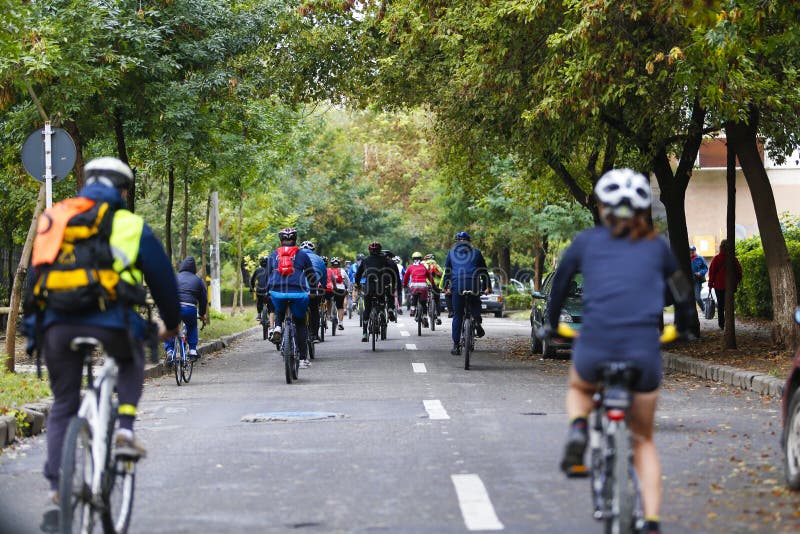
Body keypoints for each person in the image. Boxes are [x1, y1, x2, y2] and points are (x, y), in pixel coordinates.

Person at [24, 157, 180, 504]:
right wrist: (169, 324)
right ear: (122, 190)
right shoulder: (128, 223)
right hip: (112, 322)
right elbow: (163, 278)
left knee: (64, 401)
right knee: (132, 353)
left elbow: (35, 278)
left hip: (57, 326)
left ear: (85, 182)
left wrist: (35, 327)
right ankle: (124, 429)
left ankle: (57, 481)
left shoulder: (55, 218)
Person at [544, 168, 692, 534]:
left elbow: (559, 286)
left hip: (594, 344)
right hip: (643, 352)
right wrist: (687, 326)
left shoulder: (585, 242)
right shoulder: (657, 245)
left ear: (603, 208)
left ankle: (579, 427)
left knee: (579, 388)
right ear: (643, 211)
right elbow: (681, 291)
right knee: (643, 439)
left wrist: (550, 324)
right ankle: (652, 521)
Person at [267, 228, 315, 368]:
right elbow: (311, 274)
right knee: (300, 323)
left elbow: (266, 275)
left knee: (279, 307)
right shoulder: (302, 255)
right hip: (298, 293)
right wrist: (313, 290)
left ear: (280, 240)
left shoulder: (273, 254)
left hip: (277, 292)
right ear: (295, 239)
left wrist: (265, 291)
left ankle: (277, 327)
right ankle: (301, 360)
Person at [442, 232, 490, 355]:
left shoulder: (451, 253)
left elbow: (447, 271)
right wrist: (487, 287)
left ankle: (456, 346)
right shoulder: (477, 253)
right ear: (469, 241)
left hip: (457, 285)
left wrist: (446, 287)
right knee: (475, 306)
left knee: (457, 315)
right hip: (473, 284)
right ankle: (477, 323)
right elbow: (483, 271)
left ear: (457, 241)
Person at [354, 242, 400, 342]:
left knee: (367, 310)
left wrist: (357, 284)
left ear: (369, 251)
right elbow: (391, 272)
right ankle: (383, 312)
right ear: (379, 250)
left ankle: (365, 333)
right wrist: (392, 282)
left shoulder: (365, 261)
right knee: (381, 303)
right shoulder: (385, 260)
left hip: (369, 288)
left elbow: (358, 274)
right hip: (381, 287)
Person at [164, 256, 208, 362]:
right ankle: (192, 350)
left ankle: (170, 351)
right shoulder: (198, 280)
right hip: (189, 308)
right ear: (194, 268)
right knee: (192, 326)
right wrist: (202, 314)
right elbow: (203, 300)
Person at [708, 239, 742, 330]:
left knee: (720, 305)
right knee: (729, 305)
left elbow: (712, 273)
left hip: (719, 286)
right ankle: (730, 323)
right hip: (730, 286)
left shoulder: (717, 258)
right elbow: (739, 271)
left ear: (721, 248)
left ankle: (721, 324)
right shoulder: (733, 259)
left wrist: (710, 285)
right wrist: (737, 281)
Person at [300, 241, 327, 343]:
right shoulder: (319, 259)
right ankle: (314, 335)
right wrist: (323, 288)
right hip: (314, 288)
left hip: (299, 287)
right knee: (314, 309)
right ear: (312, 250)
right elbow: (324, 277)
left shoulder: (296, 256)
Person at [403, 251, 434, 327]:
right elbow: (430, 277)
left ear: (413, 259)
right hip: (423, 286)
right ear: (421, 259)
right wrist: (433, 285)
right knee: (424, 303)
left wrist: (404, 285)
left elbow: (406, 277)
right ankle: (425, 316)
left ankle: (413, 308)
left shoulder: (410, 267)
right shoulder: (423, 267)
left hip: (414, 286)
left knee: (414, 296)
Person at [328, 257, 352, 329]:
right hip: (340, 289)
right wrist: (348, 289)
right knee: (340, 306)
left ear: (331, 264)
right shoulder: (342, 270)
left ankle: (328, 316)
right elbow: (348, 281)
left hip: (330, 289)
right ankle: (340, 323)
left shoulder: (328, 270)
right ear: (339, 264)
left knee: (328, 300)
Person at [250, 256, 273, 324]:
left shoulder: (257, 270)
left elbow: (252, 280)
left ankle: (259, 314)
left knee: (259, 301)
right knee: (270, 303)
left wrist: (251, 289)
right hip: (269, 290)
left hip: (259, 290)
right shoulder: (271, 270)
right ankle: (270, 316)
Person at [422, 253, 444, 325]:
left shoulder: (424, 265)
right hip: (436, 285)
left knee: (423, 300)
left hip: (427, 285)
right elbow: (442, 274)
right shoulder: (437, 265)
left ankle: (424, 315)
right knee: (437, 300)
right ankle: (438, 317)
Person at [690, 246, 708, 313]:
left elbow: (706, 268)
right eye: (690, 251)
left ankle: (704, 309)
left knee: (697, 297)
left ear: (695, 251)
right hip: (688, 281)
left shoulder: (700, 258)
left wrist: (700, 273)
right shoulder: (686, 258)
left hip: (697, 281)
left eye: (693, 251)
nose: (691, 252)